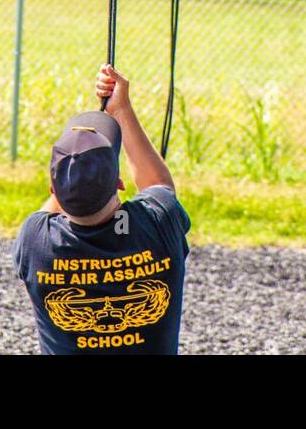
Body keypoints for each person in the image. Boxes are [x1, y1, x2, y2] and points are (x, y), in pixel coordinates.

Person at [12, 62, 190, 356]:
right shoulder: (158, 222)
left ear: (53, 190)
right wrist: (121, 110)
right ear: (119, 183)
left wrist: (68, 179)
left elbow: (53, 207)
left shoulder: (36, 241)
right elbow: (158, 184)